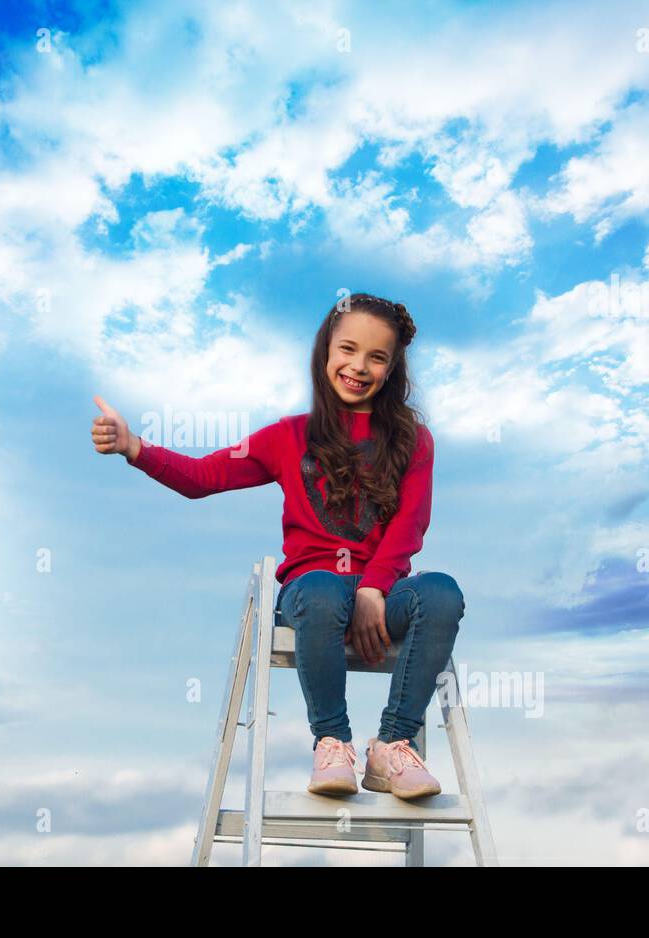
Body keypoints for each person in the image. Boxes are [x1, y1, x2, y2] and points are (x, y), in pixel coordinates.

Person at [91, 293, 464, 800]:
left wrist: (375, 588)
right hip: (312, 597)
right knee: (322, 590)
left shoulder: (414, 441)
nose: (359, 366)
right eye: (348, 349)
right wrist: (134, 447)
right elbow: (205, 476)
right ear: (325, 352)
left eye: (377, 357)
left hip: (381, 595)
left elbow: (411, 524)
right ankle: (333, 742)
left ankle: (393, 745)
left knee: (441, 592)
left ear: (392, 366)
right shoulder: (289, 436)